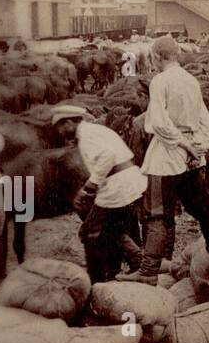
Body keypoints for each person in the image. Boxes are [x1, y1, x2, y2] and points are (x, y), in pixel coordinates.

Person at [118, 36, 209, 285]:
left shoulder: (160, 81)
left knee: (157, 214)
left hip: (165, 155)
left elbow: (158, 123)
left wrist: (182, 144)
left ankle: (147, 272)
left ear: (156, 56)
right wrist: (197, 147)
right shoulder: (191, 81)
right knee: (201, 205)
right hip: (190, 157)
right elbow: (205, 121)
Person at [54, 105, 146, 283]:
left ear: (71, 122)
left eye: (62, 125)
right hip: (122, 183)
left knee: (90, 232)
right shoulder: (93, 131)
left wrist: (89, 187)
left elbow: (107, 157)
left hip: (117, 186)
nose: (60, 131)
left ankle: (97, 279)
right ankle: (132, 263)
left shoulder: (88, 135)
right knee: (112, 230)